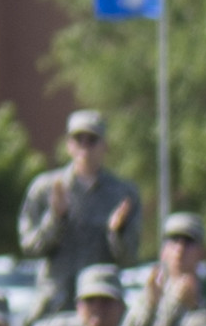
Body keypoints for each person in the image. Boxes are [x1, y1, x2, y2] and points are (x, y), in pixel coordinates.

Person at [17, 112, 136, 300]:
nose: (85, 146)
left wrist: (117, 232)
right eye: (79, 139)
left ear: (105, 145)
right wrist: (56, 218)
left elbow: (129, 258)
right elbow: (29, 247)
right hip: (56, 300)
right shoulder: (44, 188)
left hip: (100, 300)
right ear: (68, 144)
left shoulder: (122, 193)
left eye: (92, 140)